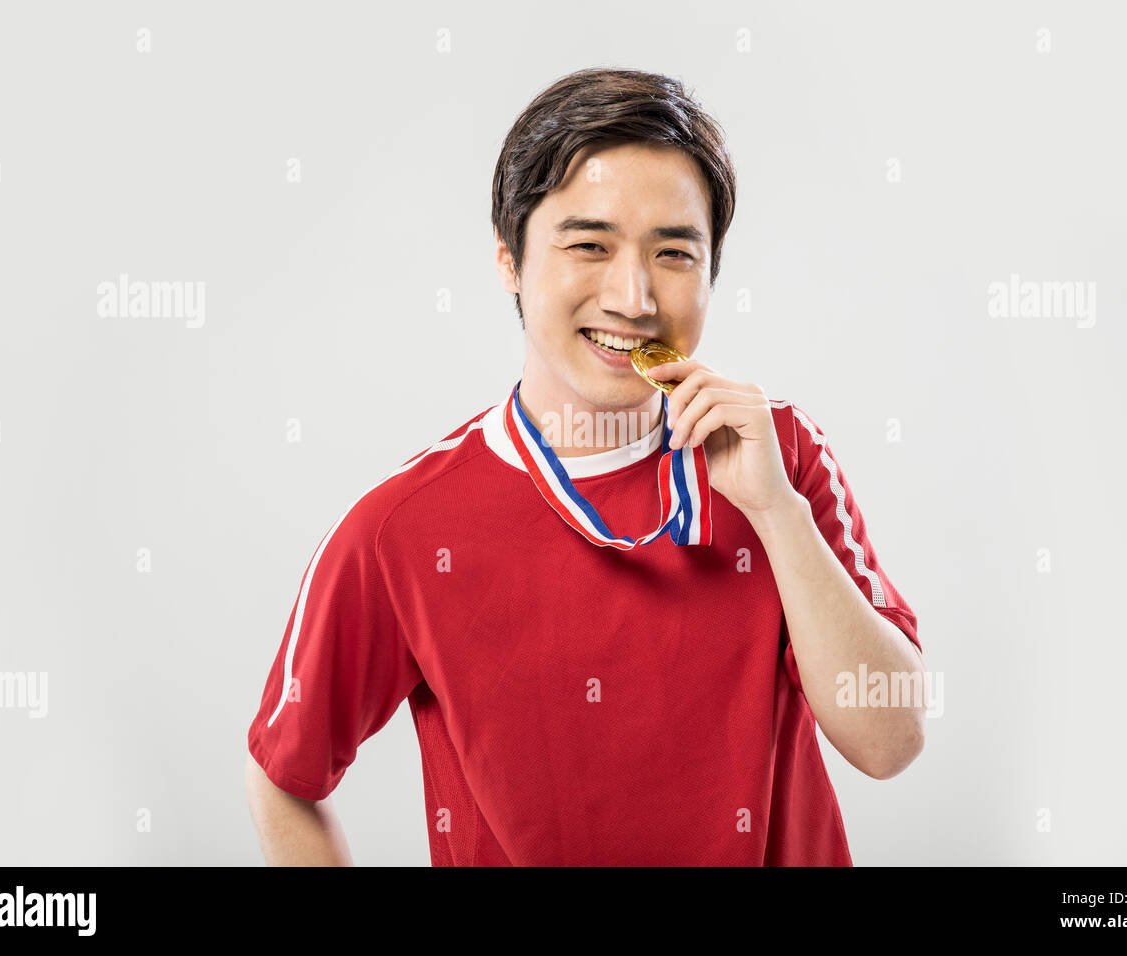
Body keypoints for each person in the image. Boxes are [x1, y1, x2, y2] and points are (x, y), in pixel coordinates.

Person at [245, 67, 924, 866]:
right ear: (509, 261)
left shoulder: (781, 453)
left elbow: (891, 742)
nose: (633, 296)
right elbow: (284, 776)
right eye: (588, 246)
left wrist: (776, 512)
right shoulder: (404, 526)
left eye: (674, 253)